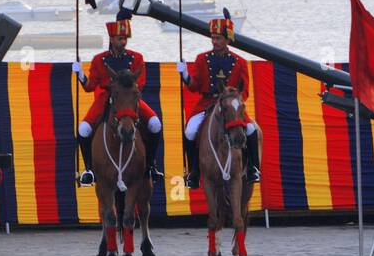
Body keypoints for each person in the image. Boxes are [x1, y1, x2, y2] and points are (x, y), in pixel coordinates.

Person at [72, 11, 163, 185]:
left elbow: (140, 83)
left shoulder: (136, 58)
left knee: (155, 124)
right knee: (83, 129)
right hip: (105, 98)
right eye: (119, 39)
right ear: (111, 39)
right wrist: (81, 74)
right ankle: (90, 170)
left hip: (129, 99)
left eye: (125, 39)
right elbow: (89, 86)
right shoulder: (99, 60)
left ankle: (150, 165)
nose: (122, 42)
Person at [178, 15, 260, 188]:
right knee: (190, 131)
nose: (214, 42)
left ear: (227, 39)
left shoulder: (240, 63)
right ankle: (193, 171)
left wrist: (233, 102)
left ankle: (253, 168)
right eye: (213, 38)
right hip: (207, 104)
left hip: (231, 106)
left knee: (252, 129)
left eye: (218, 38)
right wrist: (185, 75)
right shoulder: (202, 59)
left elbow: (244, 91)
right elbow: (195, 86)